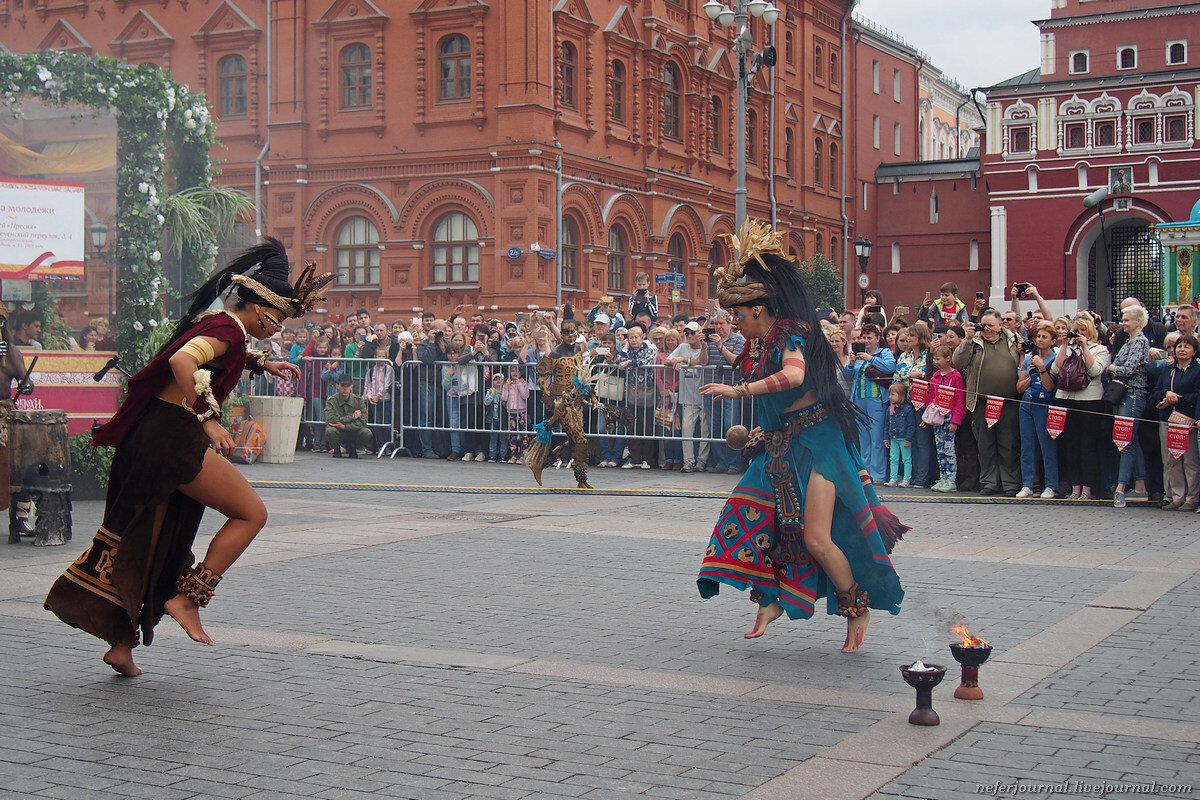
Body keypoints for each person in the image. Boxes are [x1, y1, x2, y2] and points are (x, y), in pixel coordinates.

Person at [44, 238, 329, 676]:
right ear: (255, 306)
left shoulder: (220, 323)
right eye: (277, 318)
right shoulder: (229, 328)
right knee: (251, 514)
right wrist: (209, 417)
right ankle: (189, 599)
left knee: (147, 539)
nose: (278, 328)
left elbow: (214, 354)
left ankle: (122, 645)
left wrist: (258, 362)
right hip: (174, 437)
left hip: (152, 435)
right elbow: (183, 360)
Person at [696, 219, 904, 653]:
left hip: (820, 443)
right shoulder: (758, 342)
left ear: (757, 309)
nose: (736, 323)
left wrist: (740, 390)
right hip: (780, 443)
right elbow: (766, 378)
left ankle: (856, 605)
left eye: (738, 315)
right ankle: (772, 598)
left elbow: (795, 374)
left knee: (816, 537)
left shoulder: (792, 332)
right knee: (750, 519)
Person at [952, 310, 1023, 496]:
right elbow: (957, 361)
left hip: (1009, 402)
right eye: (984, 325)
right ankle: (989, 482)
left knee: (1009, 445)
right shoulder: (974, 341)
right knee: (986, 446)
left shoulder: (1014, 340)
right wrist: (967, 339)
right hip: (982, 402)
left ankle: (1010, 483)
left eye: (991, 325)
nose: (987, 329)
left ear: (1001, 325)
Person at [1050, 315, 1111, 500]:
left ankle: (1087, 489)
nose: (1079, 334)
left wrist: (1084, 347)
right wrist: (1064, 345)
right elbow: (1055, 368)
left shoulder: (1100, 349)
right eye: (1076, 330)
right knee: (1071, 446)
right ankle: (1075, 488)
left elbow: (1094, 370)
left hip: (1089, 401)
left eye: (1083, 330)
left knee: (1087, 446)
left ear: (1090, 332)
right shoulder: (1066, 349)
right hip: (1066, 399)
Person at [1150, 333, 1200, 511]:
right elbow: (1156, 392)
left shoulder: (1197, 370)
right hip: (1167, 419)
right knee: (1172, 459)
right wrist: (1166, 395)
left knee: (1190, 460)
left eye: (1187, 347)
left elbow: (1197, 395)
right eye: (1179, 346)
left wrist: (1179, 400)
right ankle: (1177, 496)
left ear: (1194, 351)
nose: (1182, 349)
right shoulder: (1169, 370)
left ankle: (1192, 497)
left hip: (1187, 420)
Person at [1109, 305, 1152, 508]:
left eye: (1126, 320)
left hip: (1133, 395)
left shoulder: (1139, 342)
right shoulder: (1129, 342)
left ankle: (1121, 488)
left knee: (1125, 441)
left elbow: (1130, 369)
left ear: (1137, 321)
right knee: (1131, 440)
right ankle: (1141, 486)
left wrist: (1113, 368)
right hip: (1125, 395)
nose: (1123, 323)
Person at [843, 323, 894, 483]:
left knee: (876, 439)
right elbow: (848, 375)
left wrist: (870, 358)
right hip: (859, 398)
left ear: (878, 339)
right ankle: (866, 474)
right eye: (864, 338)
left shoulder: (883, 353)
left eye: (869, 338)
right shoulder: (859, 354)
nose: (866, 341)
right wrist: (851, 364)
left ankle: (878, 474)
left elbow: (890, 366)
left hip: (876, 400)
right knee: (863, 438)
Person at [1015, 322, 1060, 498]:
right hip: (1027, 404)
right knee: (1027, 446)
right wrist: (1032, 374)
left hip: (1045, 405)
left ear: (1053, 341)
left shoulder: (1055, 360)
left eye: (1044, 337)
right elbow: (1019, 387)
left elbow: (1049, 387)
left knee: (1047, 445)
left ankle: (1051, 485)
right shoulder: (1029, 359)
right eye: (1038, 337)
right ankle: (1028, 484)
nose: (1040, 340)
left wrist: (1042, 370)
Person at [926, 344, 966, 492]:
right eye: (934, 359)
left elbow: (959, 400)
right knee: (940, 449)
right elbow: (931, 398)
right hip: (937, 417)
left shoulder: (955, 376)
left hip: (949, 417)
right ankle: (943, 477)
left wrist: (956, 420)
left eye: (938, 359)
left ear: (948, 359)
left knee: (949, 449)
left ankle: (951, 479)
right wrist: (927, 417)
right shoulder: (936, 376)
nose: (936, 362)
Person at [670, 323, 709, 473]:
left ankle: (702, 460)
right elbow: (667, 360)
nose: (689, 336)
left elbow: (704, 362)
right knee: (686, 429)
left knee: (706, 431)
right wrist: (675, 361)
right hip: (688, 398)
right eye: (686, 333)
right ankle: (688, 460)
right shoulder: (683, 347)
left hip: (704, 395)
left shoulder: (705, 347)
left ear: (699, 333)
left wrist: (685, 360)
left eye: (692, 332)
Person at [325, 375, 372, 458]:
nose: (345, 389)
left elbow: (363, 421)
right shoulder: (331, 401)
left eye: (348, 386)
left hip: (353, 431)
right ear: (338, 386)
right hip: (338, 431)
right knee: (330, 431)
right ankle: (336, 449)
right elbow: (330, 419)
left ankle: (353, 447)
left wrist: (345, 426)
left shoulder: (358, 400)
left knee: (366, 433)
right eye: (342, 386)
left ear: (351, 387)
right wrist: (351, 417)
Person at [884, 382, 915, 487]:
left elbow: (911, 425)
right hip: (893, 438)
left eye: (893, 394)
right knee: (893, 458)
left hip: (904, 438)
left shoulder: (907, 409)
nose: (890, 397)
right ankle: (893, 478)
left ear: (901, 395)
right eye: (890, 394)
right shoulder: (889, 409)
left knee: (906, 459)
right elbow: (886, 424)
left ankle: (907, 479)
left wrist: (908, 439)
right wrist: (886, 438)